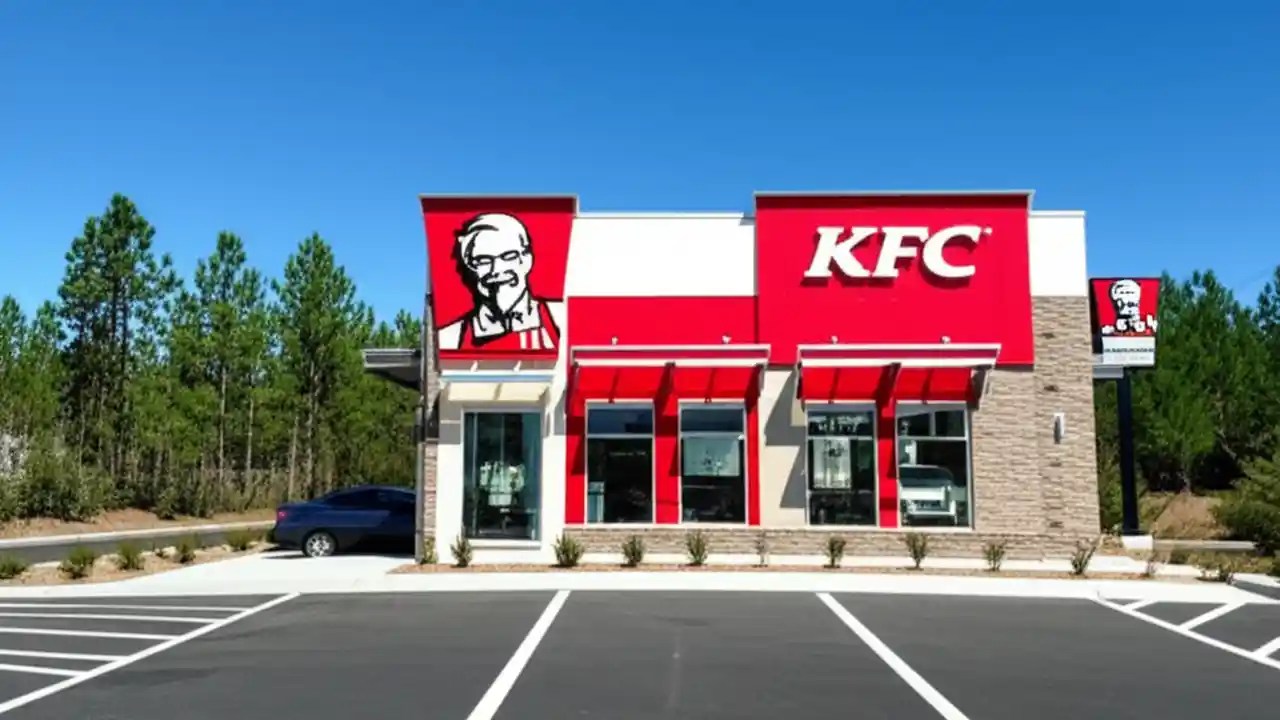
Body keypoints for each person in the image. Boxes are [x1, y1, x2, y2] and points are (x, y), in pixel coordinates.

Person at [438, 212, 564, 351]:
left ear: (527, 259)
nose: (496, 270)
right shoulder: (449, 339)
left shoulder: (561, 318)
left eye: (508, 256)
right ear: (471, 267)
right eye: (484, 260)